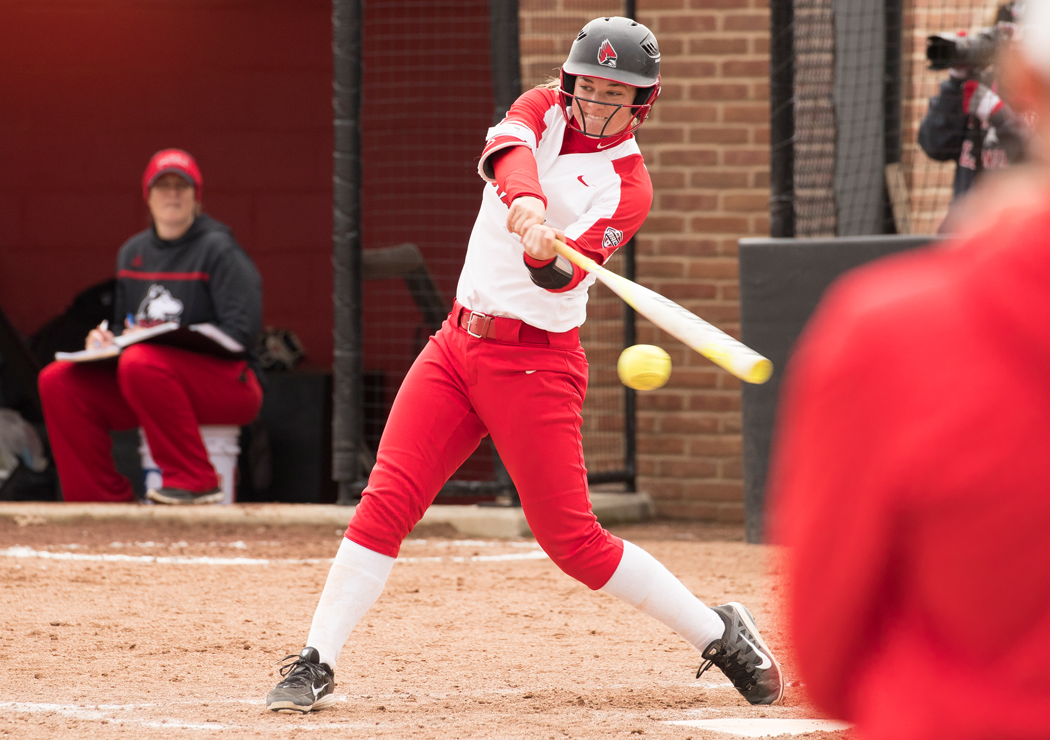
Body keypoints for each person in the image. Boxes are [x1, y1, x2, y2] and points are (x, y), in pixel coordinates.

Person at [263, 17, 782, 714]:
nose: (595, 103)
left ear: (641, 104)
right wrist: (529, 202)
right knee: (386, 499)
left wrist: (545, 248)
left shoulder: (628, 186)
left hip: (535, 365)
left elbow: (561, 281)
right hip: (454, 345)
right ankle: (316, 659)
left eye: (614, 94)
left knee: (574, 543)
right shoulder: (541, 108)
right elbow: (510, 150)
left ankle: (718, 631)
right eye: (588, 87)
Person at [771, 5, 1050, 736]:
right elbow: (934, 143)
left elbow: (830, 654)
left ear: (1029, 74)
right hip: (977, 242)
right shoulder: (971, 93)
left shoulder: (895, 335)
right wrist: (959, 85)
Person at [38, 148, 263, 504]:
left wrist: (168, 343)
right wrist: (105, 339)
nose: (172, 193)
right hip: (147, 380)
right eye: (163, 186)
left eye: (181, 185)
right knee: (57, 380)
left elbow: (242, 333)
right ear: (148, 195)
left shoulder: (219, 250)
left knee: (142, 360)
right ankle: (98, 501)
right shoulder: (132, 252)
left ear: (196, 196)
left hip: (228, 384)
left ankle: (194, 481)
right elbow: (123, 325)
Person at [918, 2, 1029, 227]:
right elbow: (935, 145)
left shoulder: (1041, 94)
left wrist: (1000, 117)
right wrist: (955, 81)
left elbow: (1037, 162)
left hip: (1020, 235)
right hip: (969, 233)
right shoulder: (980, 86)